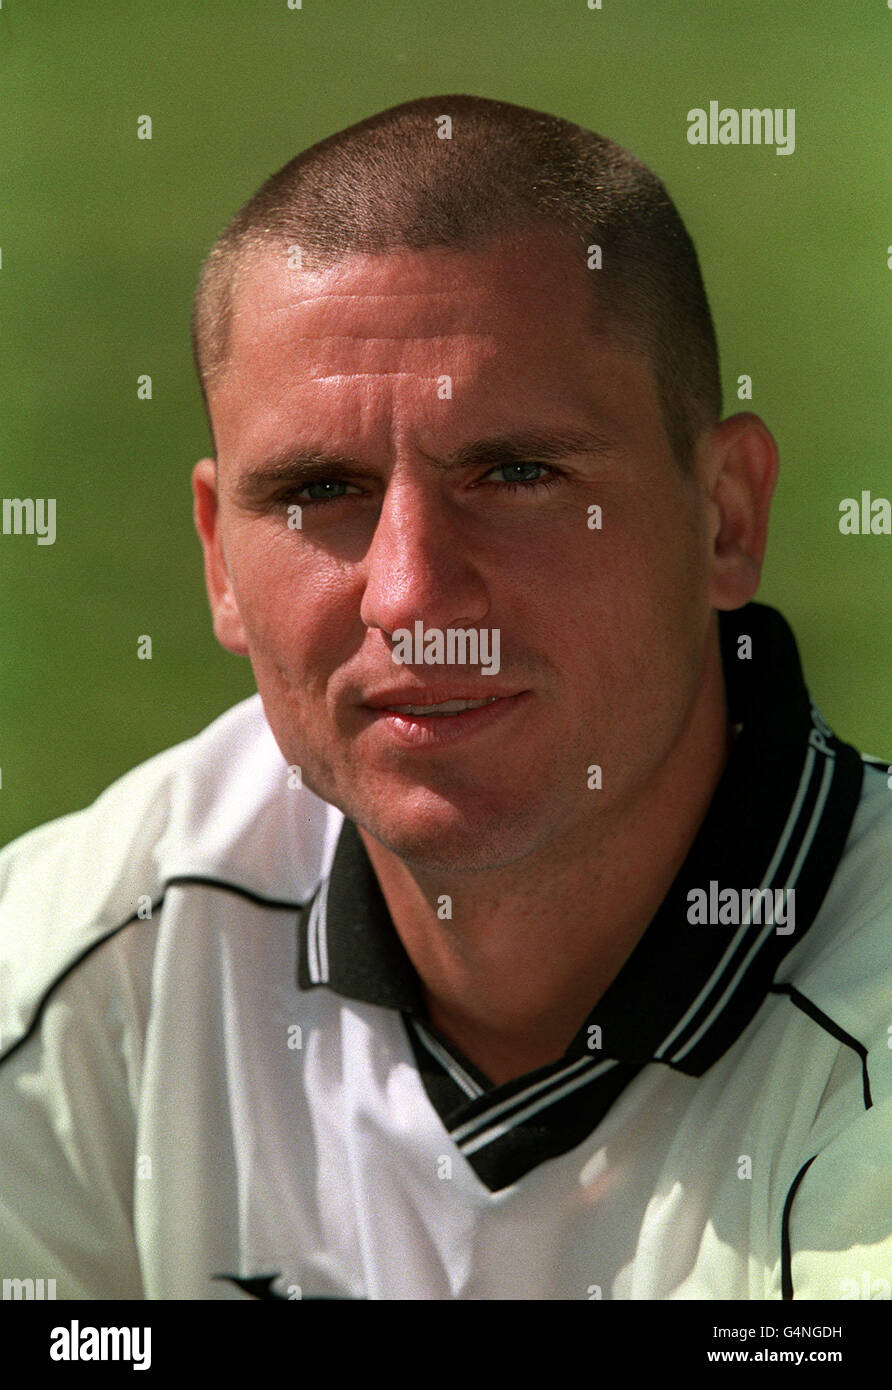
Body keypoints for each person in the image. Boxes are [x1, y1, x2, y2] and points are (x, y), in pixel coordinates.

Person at [1, 94, 889, 1301]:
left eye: (517, 472)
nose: (412, 596)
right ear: (219, 560)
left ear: (725, 514)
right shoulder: (74, 969)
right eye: (321, 488)